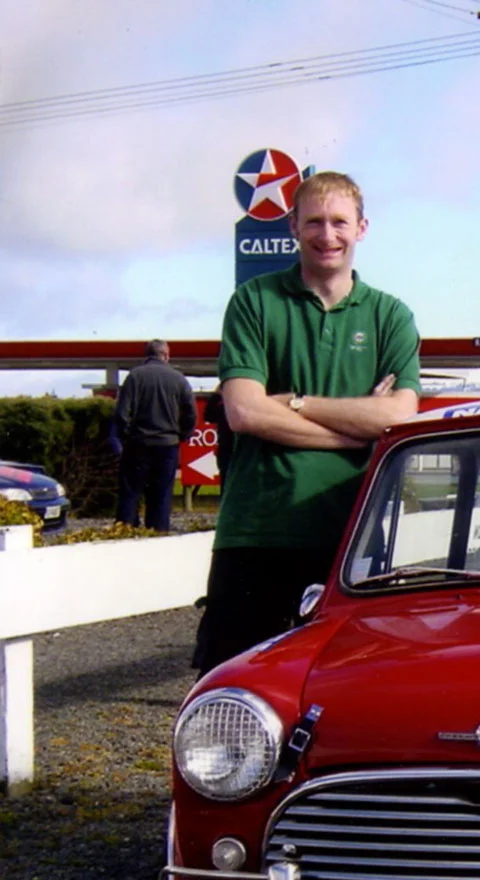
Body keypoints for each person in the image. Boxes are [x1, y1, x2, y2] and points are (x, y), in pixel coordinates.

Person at [191, 172, 421, 677]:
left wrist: (292, 403)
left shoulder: (390, 316)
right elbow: (244, 411)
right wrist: (355, 429)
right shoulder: (254, 301)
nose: (327, 234)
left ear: (362, 228)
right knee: (238, 686)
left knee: (345, 689)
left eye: (340, 221)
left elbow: (399, 416)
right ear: (293, 225)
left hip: (353, 538)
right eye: (314, 221)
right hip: (257, 533)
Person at [113, 339, 196, 531]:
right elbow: (191, 413)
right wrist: (182, 434)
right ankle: (158, 535)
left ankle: (125, 534)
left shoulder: (134, 376)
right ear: (166, 355)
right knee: (161, 495)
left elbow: (122, 413)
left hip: (138, 443)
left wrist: (126, 436)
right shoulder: (178, 379)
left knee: (131, 493)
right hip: (167, 445)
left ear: (147, 354)